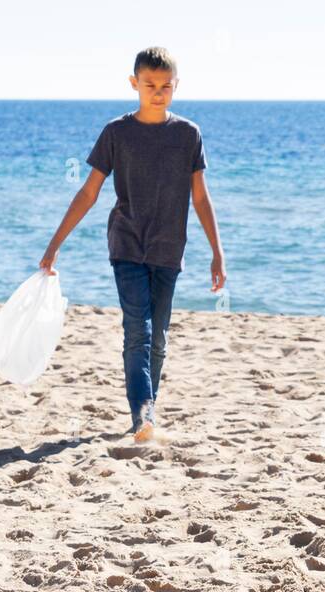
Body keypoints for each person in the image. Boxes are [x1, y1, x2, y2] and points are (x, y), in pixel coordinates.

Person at [40, 46, 226, 442]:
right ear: (134, 84)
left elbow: (200, 197)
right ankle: (142, 416)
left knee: (158, 338)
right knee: (137, 332)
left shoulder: (188, 135)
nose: (157, 93)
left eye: (165, 86)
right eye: (149, 85)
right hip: (126, 245)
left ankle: (146, 413)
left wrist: (217, 251)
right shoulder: (116, 133)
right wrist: (55, 244)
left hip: (168, 248)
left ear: (176, 87)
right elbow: (89, 192)